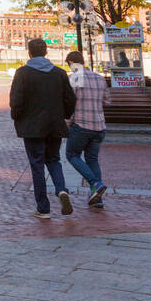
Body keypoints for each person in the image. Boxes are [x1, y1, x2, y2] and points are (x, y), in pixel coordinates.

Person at [10, 38, 77, 219]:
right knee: (54, 160)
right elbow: (70, 99)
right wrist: (65, 115)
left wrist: (17, 117)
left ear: (29, 52)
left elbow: (16, 101)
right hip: (55, 124)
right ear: (46, 52)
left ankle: (43, 207)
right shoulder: (60, 73)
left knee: (37, 164)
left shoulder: (22, 73)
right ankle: (61, 190)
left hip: (31, 127)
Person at [65, 50, 110, 207]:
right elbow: (107, 101)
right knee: (92, 159)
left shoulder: (75, 77)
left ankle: (95, 183)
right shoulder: (99, 78)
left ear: (71, 63)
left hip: (81, 125)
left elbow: (70, 103)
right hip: (99, 125)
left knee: (72, 155)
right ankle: (97, 197)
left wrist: (67, 122)